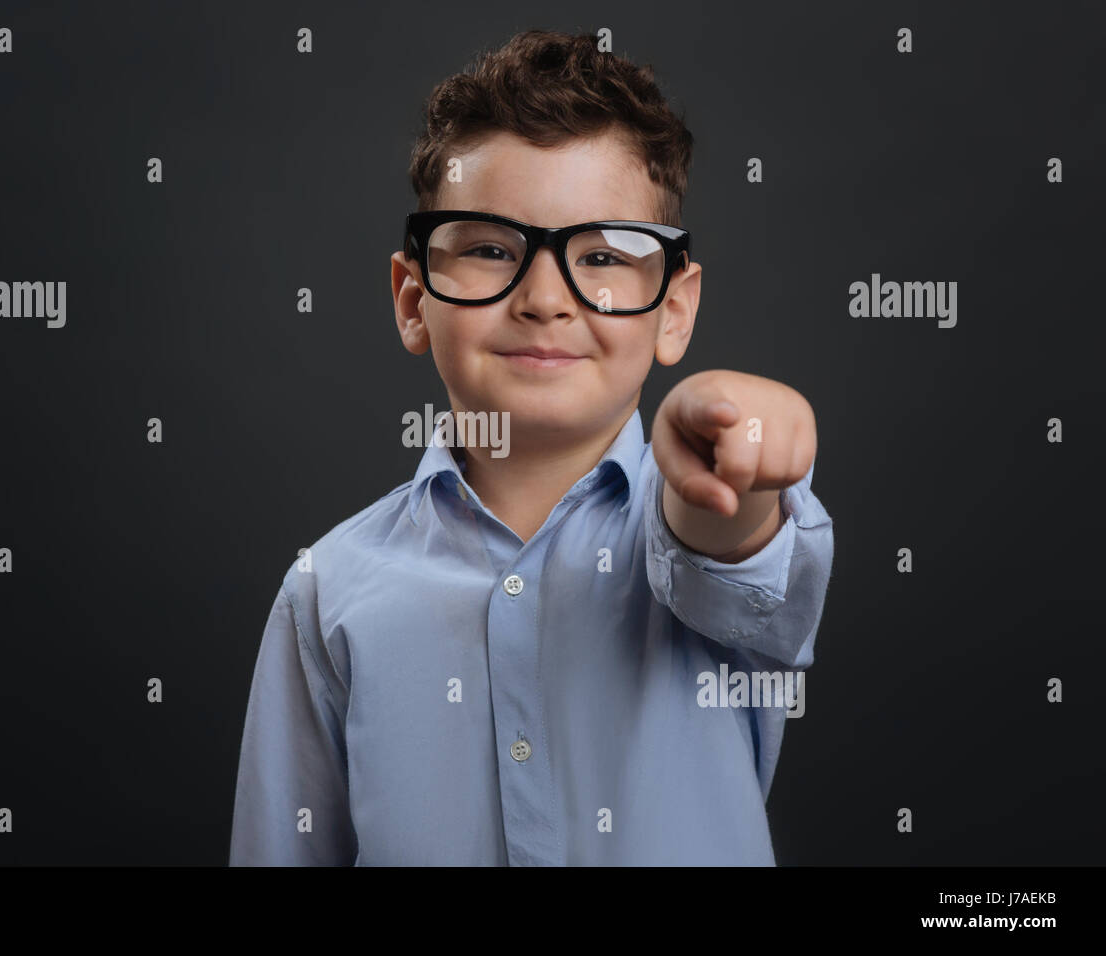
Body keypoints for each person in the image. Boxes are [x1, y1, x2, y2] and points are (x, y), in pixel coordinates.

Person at [229, 28, 834, 865]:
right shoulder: (326, 593)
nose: (545, 297)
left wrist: (734, 456)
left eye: (601, 255)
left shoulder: (688, 522)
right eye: (488, 249)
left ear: (674, 309)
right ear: (412, 299)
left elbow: (726, 547)